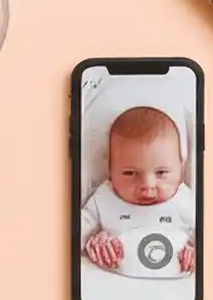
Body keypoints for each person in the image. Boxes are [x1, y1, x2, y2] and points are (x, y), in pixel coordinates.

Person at [81, 106, 196, 273]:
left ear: (181, 167)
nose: (147, 186)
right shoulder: (104, 198)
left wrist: (197, 254)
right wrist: (91, 243)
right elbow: (70, 238)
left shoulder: (186, 202)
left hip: (172, 285)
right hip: (114, 282)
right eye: (130, 173)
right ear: (110, 170)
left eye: (161, 172)